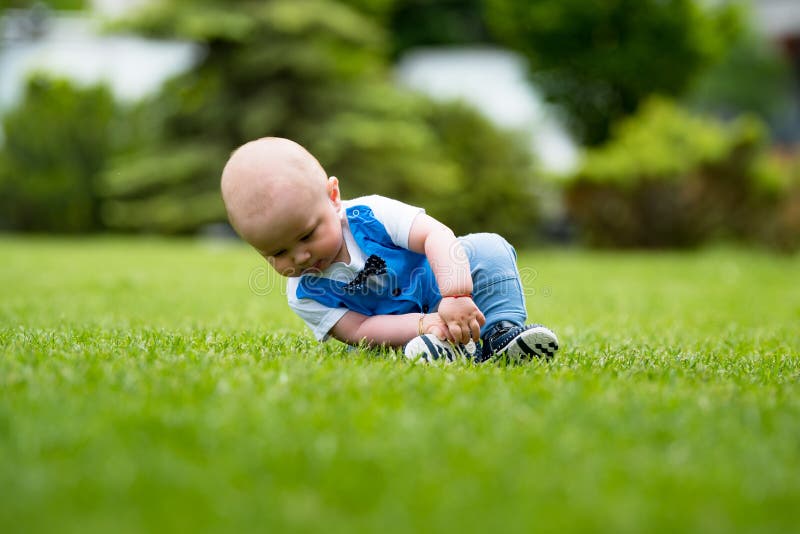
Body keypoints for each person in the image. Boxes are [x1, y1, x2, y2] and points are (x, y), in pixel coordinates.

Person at [220, 137, 559, 363]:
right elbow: (359, 331)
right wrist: (427, 324)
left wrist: (455, 294)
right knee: (416, 347)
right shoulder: (306, 294)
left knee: (487, 248)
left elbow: (436, 235)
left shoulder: (370, 215)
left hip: (443, 287)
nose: (300, 257)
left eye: (308, 235)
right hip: (406, 329)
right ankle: (444, 348)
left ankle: (501, 332)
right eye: (277, 253)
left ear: (333, 197)